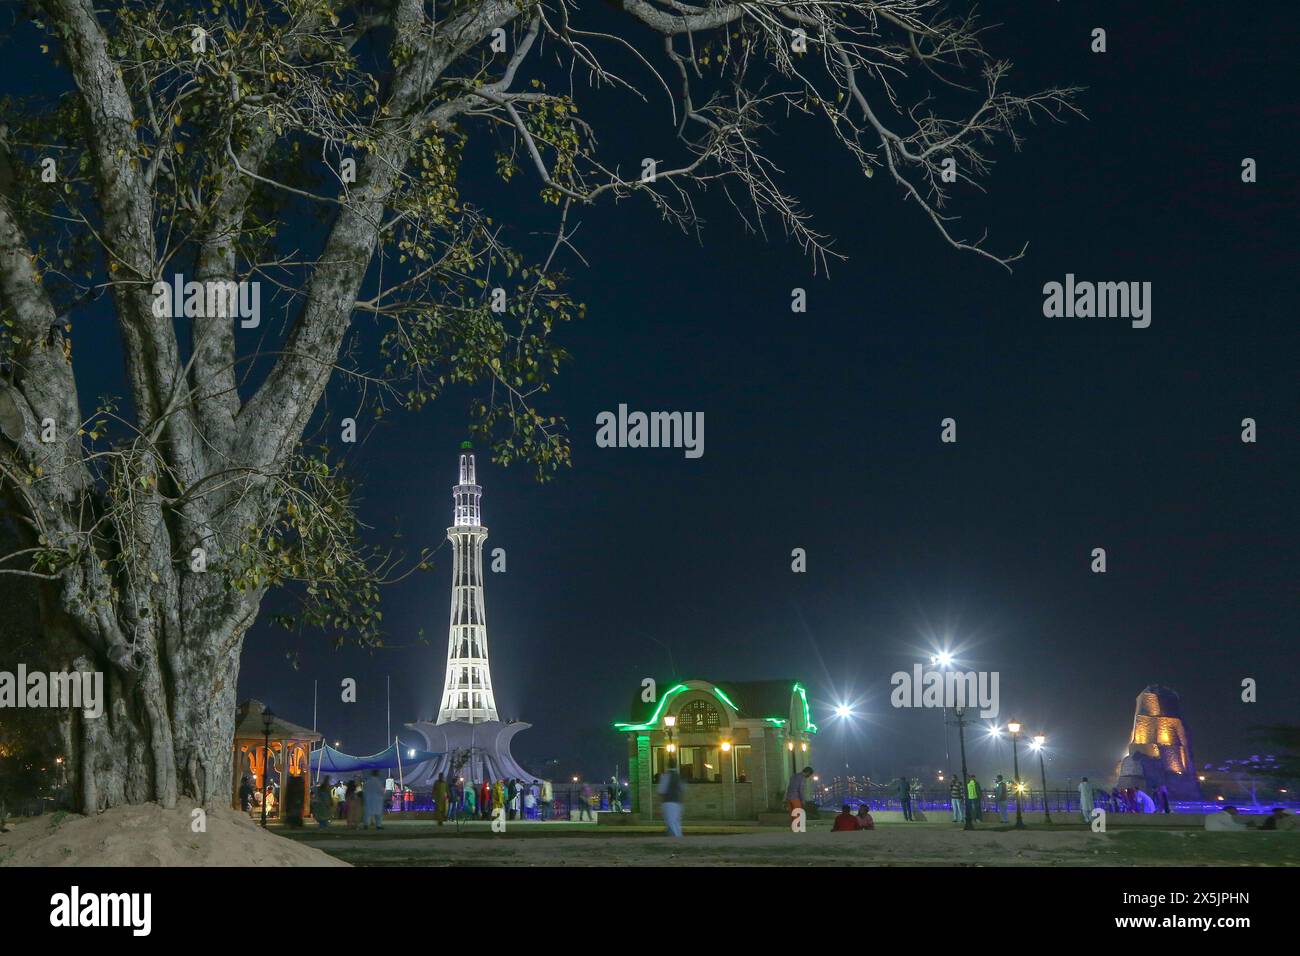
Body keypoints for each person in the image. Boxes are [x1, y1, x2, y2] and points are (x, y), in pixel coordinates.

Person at [657, 756, 685, 836]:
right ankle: (678, 841)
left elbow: (661, 791)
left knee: (671, 824)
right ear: (676, 765)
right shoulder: (678, 776)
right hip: (677, 802)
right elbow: (682, 789)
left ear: (667, 765)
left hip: (668, 802)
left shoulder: (666, 776)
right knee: (676, 824)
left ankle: (674, 842)